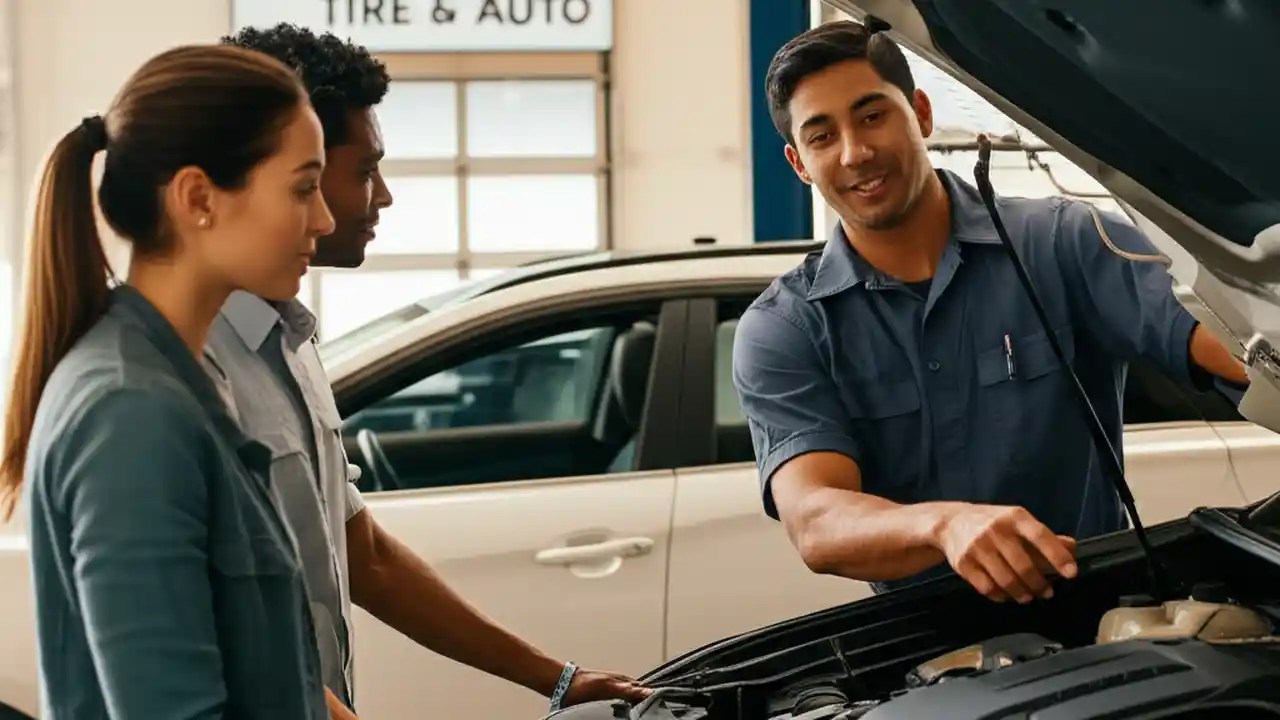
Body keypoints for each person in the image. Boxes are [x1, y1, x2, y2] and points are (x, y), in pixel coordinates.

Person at [211, 24, 649, 719]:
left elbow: (366, 558)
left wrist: (557, 679)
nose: (382, 197)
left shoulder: (289, 341)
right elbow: (230, 645)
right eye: (362, 171)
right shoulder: (194, 369)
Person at [732, 21, 1250, 606]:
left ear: (921, 113)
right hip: (918, 645)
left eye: (872, 116)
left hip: (1098, 617)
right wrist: (945, 525)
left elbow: (1228, 345)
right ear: (799, 163)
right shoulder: (786, 328)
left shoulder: (1064, 243)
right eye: (823, 137)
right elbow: (816, 520)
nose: (856, 152)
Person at [0, 45, 336, 718]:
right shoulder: (131, 415)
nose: (324, 219)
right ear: (198, 198)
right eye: (303, 188)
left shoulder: (174, 382)